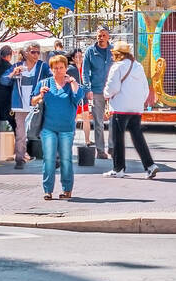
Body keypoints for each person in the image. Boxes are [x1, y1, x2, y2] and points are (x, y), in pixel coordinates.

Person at [102, 41, 159, 178]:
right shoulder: (138, 66)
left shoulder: (117, 67)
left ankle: (118, 168)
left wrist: (105, 94)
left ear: (117, 54)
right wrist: (139, 102)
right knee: (137, 137)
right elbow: (145, 88)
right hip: (136, 108)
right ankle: (150, 165)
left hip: (120, 107)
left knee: (117, 138)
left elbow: (112, 88)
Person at [32, 53, 81, 200]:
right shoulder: (44, 83)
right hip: (48, 128)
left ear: (66, 68)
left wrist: (73, 84)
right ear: (51, 69)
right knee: (49, 159)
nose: (58, 70)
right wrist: (40, 95)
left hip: (66, 128)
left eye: (61, 67)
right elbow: (33, 101)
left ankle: (67, 189)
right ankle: (47, 190)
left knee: (66, 159)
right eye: (55, 68)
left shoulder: (72, 84)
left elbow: (77, 99)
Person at [1, 43, 50, 171]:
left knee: (45, 132)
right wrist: (13, 74)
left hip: (36, 104)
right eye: (33, 52)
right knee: (21, 134)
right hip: (20, 105)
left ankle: (52, 158)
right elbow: (3, 80)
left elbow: (52, 77)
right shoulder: (17, 66)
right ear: (26, 53)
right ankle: (19, 159)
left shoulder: (42, 66)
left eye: (38, 52)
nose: (36, 55)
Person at [84, 26, 115, 160]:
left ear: (108, 36)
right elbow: (85, 72)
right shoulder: (90, 52)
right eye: (99, 35)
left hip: (113, 90)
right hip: (96, 90)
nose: (101, 38)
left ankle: (112, 147)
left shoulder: (114, 50)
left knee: (115, 120)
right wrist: (87, 89)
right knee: (98, 122)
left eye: (103, 35)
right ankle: (100, 150)